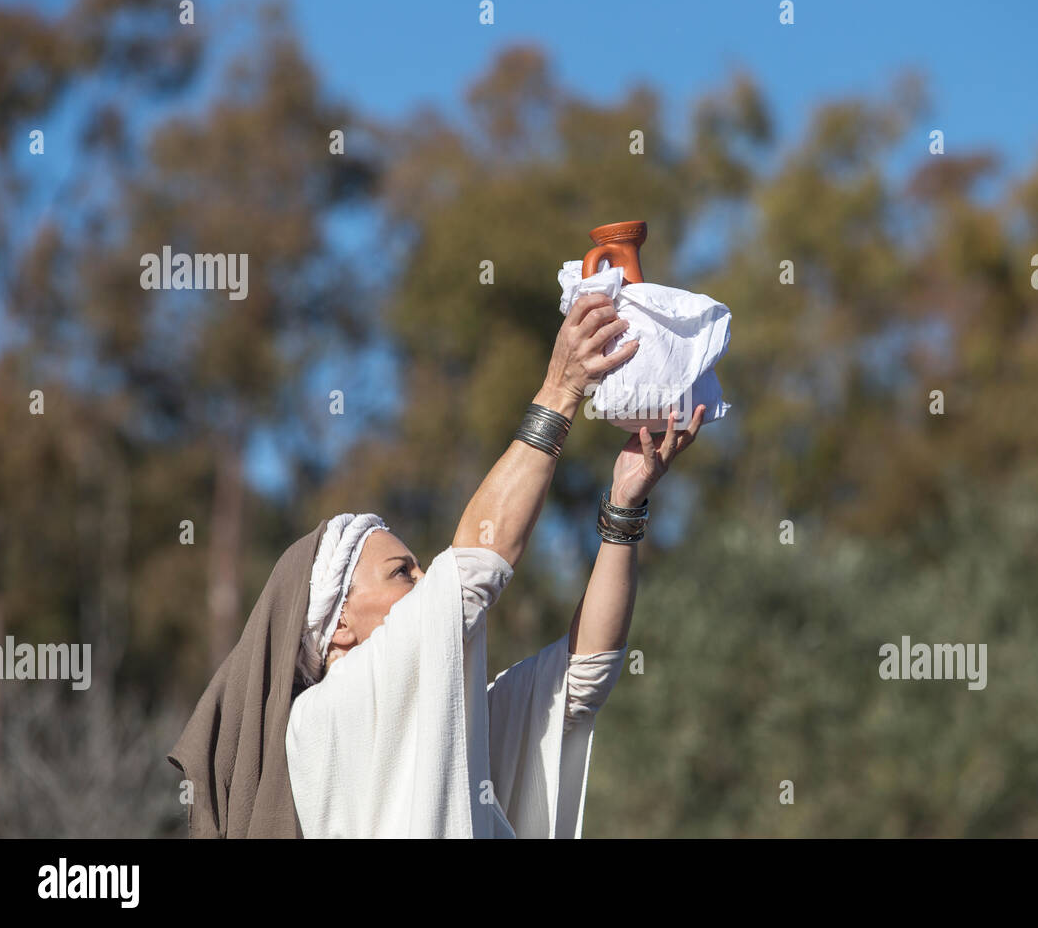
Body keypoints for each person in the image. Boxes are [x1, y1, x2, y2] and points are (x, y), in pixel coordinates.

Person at [167, 291, 706, 837]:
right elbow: (473, 566)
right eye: (402, 572)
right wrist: (561, 390)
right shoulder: (323, 720)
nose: (425, 579)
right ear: (339, 624)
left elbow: (583, 675)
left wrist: (625, 504)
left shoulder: (449, 726)